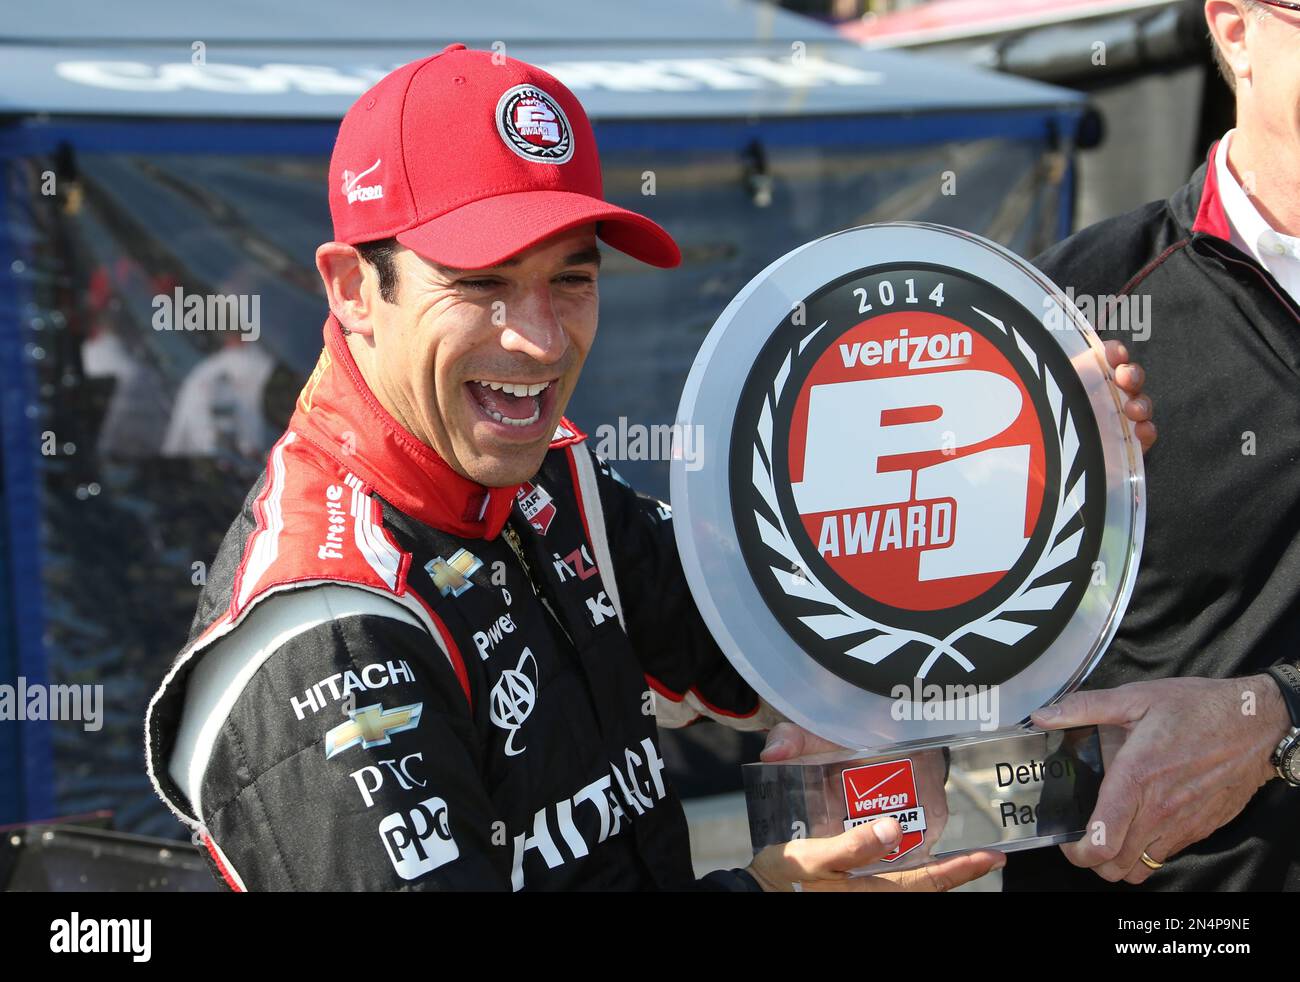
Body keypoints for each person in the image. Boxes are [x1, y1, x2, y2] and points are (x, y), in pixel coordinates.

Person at [144, 46, 1151, 892]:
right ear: (352, 286)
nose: (538, 340)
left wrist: (1037, 445)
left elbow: (792, 623)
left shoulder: (550, 482)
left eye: (569, 280)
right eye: (482, 286)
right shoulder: (320, 635)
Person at [769, 0, 1300, 891]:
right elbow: (945, 611)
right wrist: (878, 707)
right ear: (1235, 29)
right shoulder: (1068, 309)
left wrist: (1275, 720)